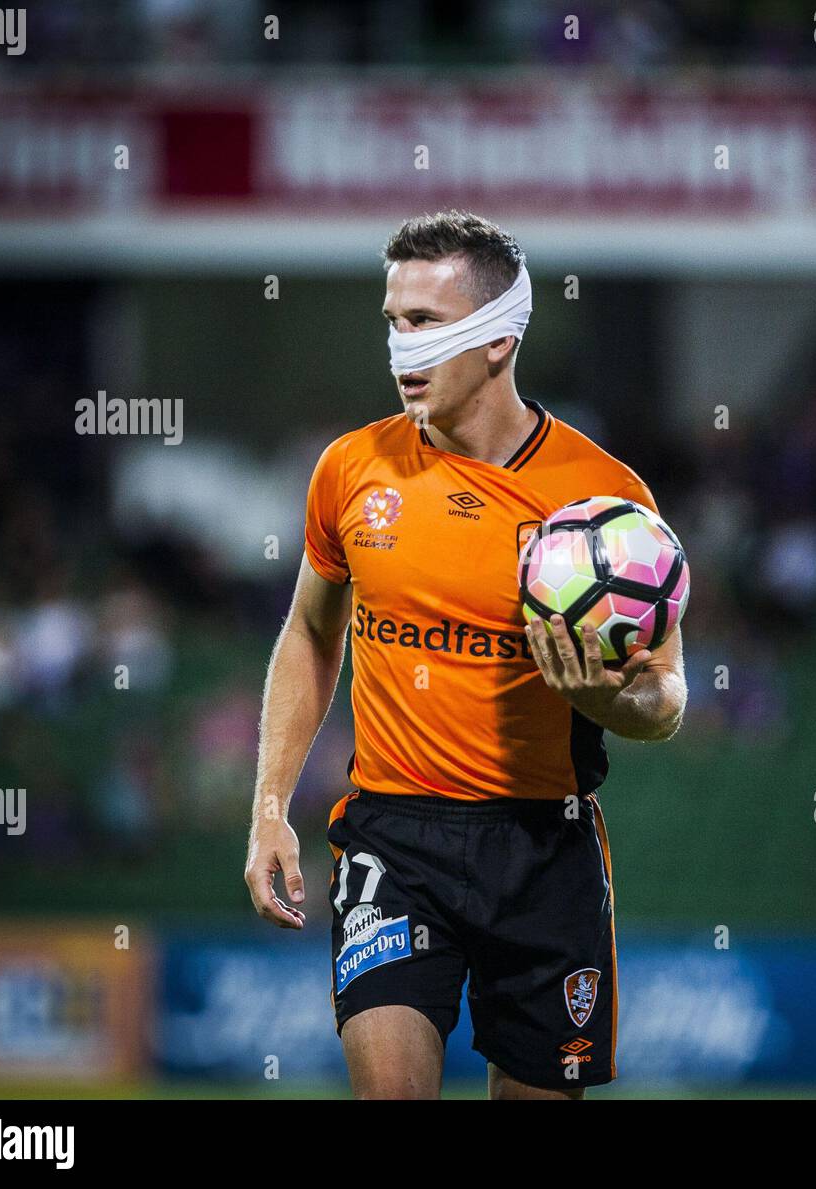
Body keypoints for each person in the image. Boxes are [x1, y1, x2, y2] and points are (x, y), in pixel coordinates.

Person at [244, 210, 686, 1099]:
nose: (400, 347)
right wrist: (268, 804)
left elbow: (665, 699)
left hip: (540, 846)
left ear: (499, 340)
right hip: (392, 839)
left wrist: (598, 698)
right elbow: (310, 630)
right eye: (392, 321)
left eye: (426, 323)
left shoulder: (605, 502)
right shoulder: (351, 470)